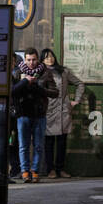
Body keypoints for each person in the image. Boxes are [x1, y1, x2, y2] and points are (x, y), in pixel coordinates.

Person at [11, 48, 55, 183]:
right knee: (23, 145)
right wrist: (24, 83)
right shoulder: (17, 73)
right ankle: (25, 171)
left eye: (34, 59)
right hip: (23, 114)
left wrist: (39, 88)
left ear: (38, 59)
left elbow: (55, 93)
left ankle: (34, 171)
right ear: (24, 59)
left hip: (39, 114)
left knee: (38, 145)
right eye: (28, 60)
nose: (31, 63)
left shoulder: (46, 73)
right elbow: (12, 92)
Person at [40, 47, 84, 178]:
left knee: (62, 141)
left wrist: (76, 100)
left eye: (51, 56)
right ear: (42, 60)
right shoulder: (40, 72)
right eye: (47, 57)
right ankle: (50, 170)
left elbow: (80, 83)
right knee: (48, 142)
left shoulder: (63, 71)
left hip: (63, 110)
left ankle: (60, 168)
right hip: (47, 110)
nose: (50, 59)